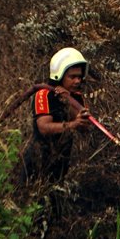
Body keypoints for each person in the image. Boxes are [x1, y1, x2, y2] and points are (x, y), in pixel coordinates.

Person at [20, 46, 91, 184]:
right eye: (72, 77)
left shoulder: (76, 97)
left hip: (62, 161)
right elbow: (44, 127)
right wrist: (73, 124)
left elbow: (84, 126)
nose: (77, 81)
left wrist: (67, 101)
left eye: (79, 76)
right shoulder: (43, 94)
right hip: (38, 160)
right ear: (60, 75)